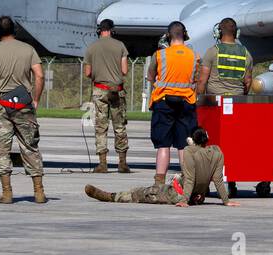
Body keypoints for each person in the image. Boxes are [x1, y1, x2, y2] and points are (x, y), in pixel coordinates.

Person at [0, 15, 46, 204]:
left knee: (2, 150)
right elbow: (39, 76)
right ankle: (38, 192)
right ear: (15, 31)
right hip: (24, 104)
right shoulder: (28, 50)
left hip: (0, 105)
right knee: (30, 147)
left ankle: (7, 193)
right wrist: (35, 99)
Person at [83, 128, 236, 206]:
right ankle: (114, 196)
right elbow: (218, 180)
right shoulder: (217, 153)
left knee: (142, 193)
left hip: (178, 193)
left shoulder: (190, 152)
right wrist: (226, 201)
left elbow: (190, 179)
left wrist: (184, 200)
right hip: (198, 197)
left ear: (192, 140)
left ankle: (111, 196)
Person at [144, 21, 200, 187]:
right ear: (185, 35)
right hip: (186, 103)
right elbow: (196, 79)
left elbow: (150, 77)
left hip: (163, 103)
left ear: (168, 36)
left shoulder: (160, 55)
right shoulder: (195, 56)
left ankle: (159, 182)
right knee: (183, 146)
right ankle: (187, 182)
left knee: (163, 145)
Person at [83, 19, 131, 173]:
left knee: (101, 127)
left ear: (99, 31)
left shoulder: (91, 47)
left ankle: (102, 164)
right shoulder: (120, 46)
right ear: (112, 30)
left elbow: (87, 73)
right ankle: (122, 163)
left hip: (99, 91)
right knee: (119, 126)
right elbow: (124, 71)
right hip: (116, 90)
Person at [199, 17, 254, 97]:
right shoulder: (246, 54)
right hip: (237, 100)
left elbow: (201, 81)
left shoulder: (212, 51)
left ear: (218, 33)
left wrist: (200, 100)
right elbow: (248, 81)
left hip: (215, 100)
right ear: (237, 33)